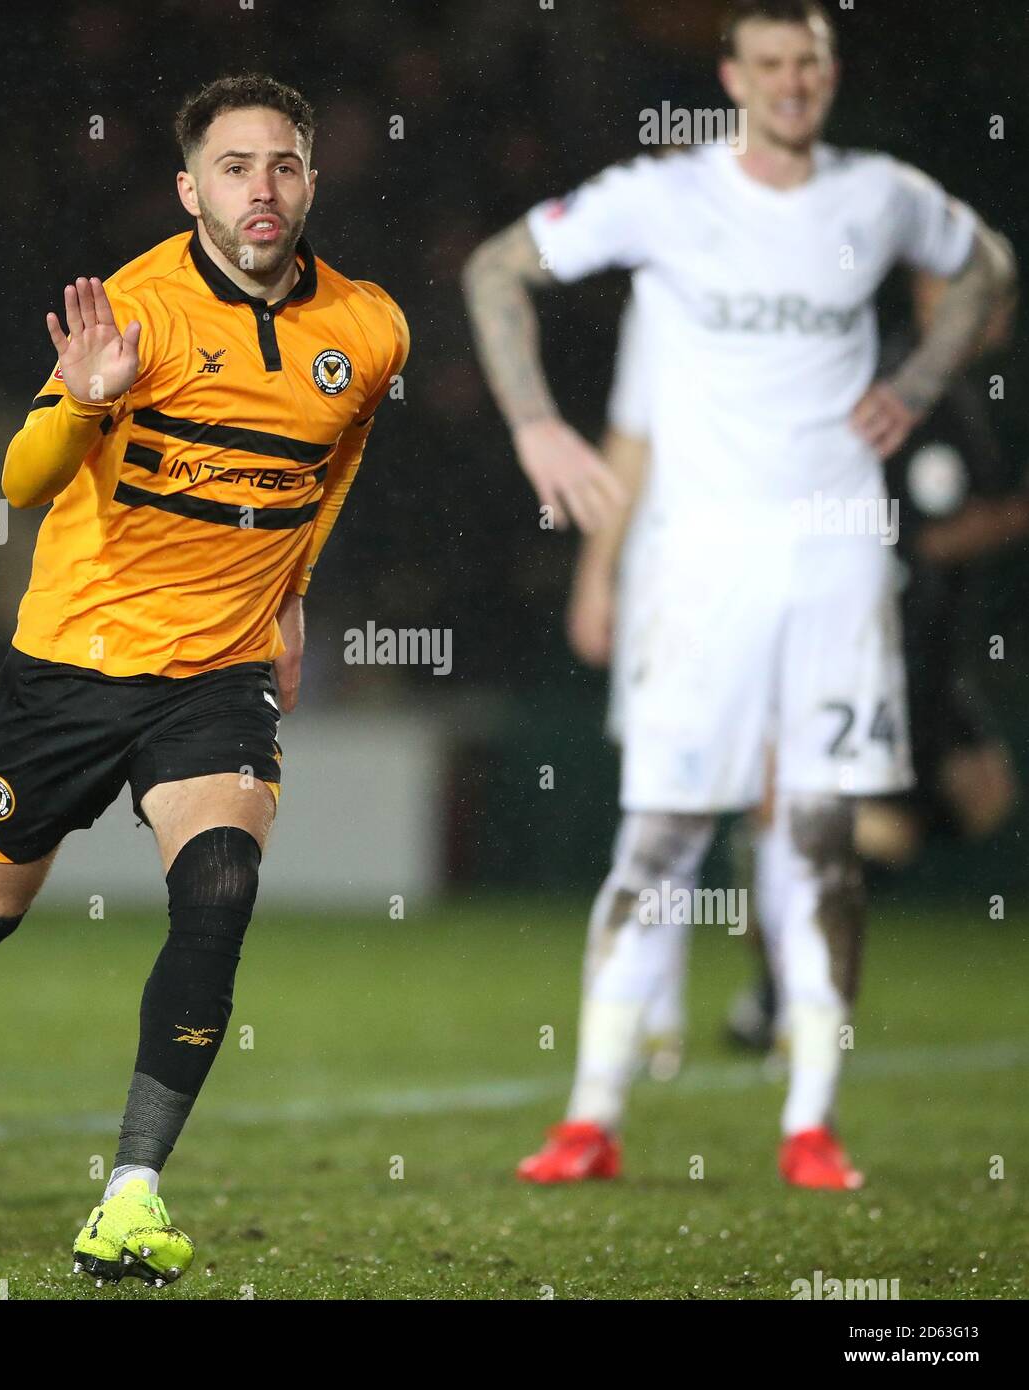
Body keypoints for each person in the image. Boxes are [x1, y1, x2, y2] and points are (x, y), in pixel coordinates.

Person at [0, 73, 408, 1287]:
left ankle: (130, 1193)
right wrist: (82, 404)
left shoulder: (370, 327)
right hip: (70, 668)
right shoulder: (132, 310)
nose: (261, 187)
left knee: (220, 889)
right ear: (189, 191)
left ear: (309, 181)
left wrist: (292, 589)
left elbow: (332, 464)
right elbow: (22, 482)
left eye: (283, 163)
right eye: (233, 166)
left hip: (218, 671)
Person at [462, 0, 1014, 1189]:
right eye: (768, 63)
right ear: (732, 76)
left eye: (807, 62)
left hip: (834, 562)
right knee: (660, 831)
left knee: (817, 838)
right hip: (697, 566)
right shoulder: (663, 196)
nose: (790, 82)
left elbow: (988, 266)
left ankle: (809, 1123)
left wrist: (919, 380)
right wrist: (533, 425)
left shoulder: (878, 194)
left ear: (829, 70)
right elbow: (494, 266)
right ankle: (591, 1116)